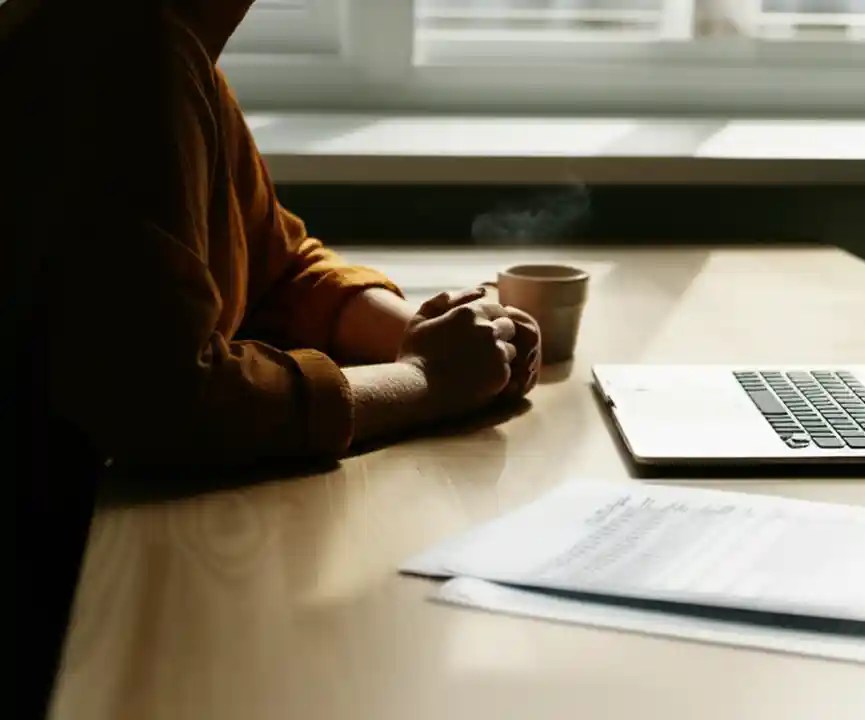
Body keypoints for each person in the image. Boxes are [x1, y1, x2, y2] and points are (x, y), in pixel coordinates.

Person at [0, 0, 541, 470]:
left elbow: (278, 272)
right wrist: (428, 380)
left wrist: (439, 337)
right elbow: (169, 400)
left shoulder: (172, 40)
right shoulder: (125, 54)